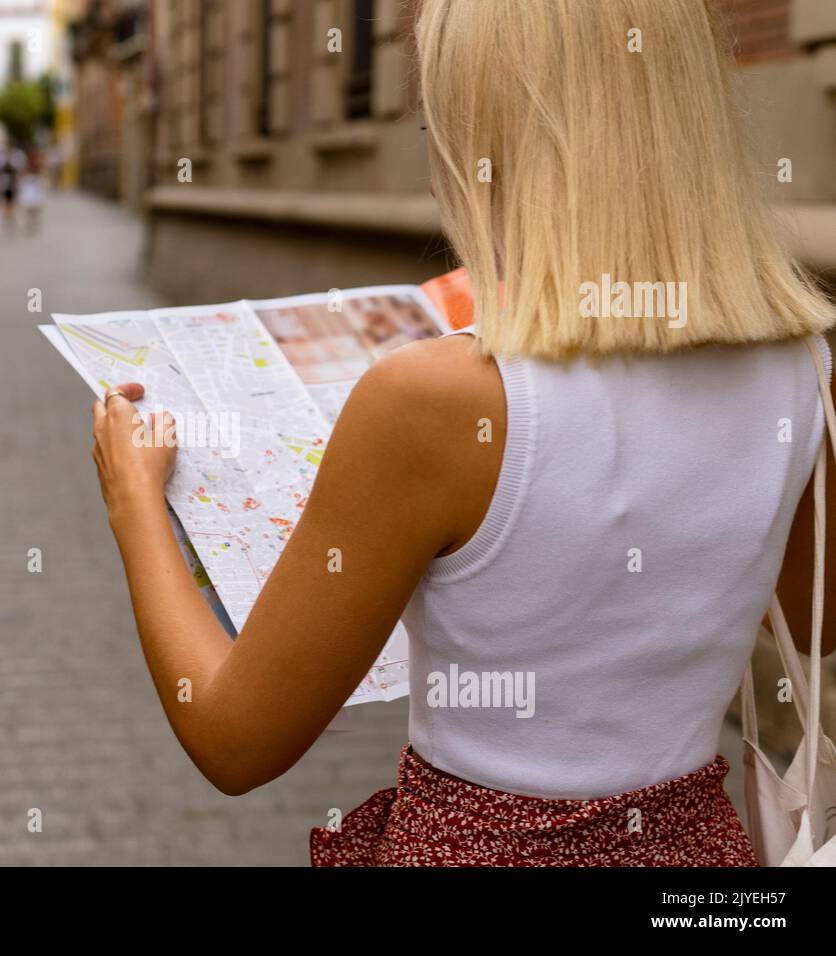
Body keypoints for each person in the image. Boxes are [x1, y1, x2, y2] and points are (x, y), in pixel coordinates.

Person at [85, 0, 836, 867]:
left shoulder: (436, 400)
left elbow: (233, 740)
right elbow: (815, 623)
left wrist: (134, 500)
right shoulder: (802, 367)